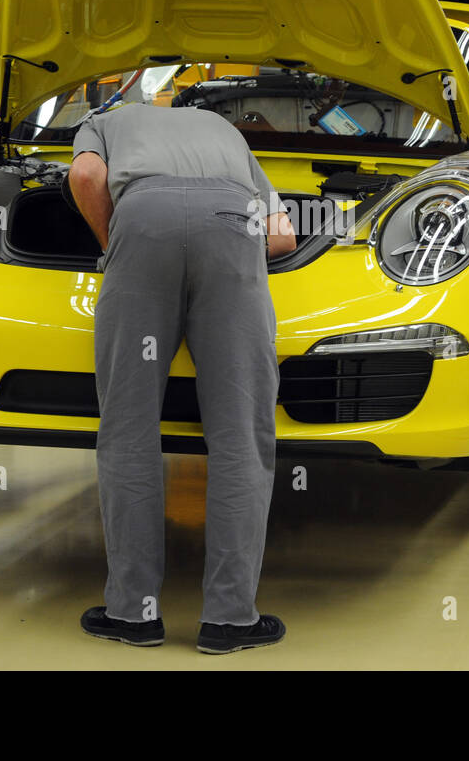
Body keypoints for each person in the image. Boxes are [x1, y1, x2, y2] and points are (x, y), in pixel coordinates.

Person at [68, 93, 297, 655]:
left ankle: (133, 613)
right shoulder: (225, 132)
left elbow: (86, 174)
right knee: (240, 434)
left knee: (128, 429)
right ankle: (229, 619)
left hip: (142, 223)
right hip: (234, 223)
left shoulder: (103, 122)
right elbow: (283, 236)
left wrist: (113, 245)